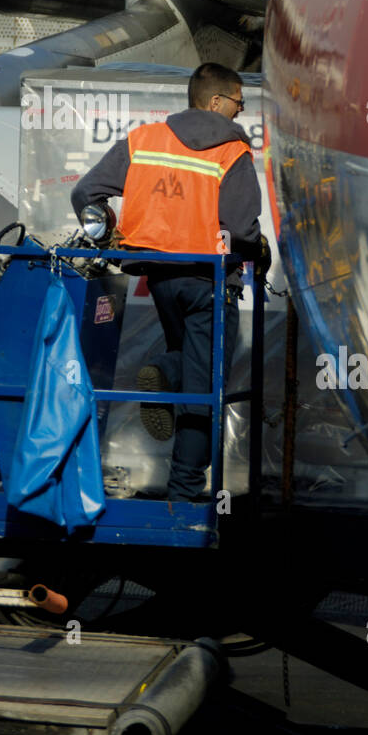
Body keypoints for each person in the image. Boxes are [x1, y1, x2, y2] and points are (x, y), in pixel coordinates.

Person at [71, 62, 266, 501]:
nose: (241, 110)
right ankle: (185, 491)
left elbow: (86, 193)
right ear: (216, 102)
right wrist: (258, 249)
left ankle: (166, 369)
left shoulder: (145, 139)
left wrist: (108, 228)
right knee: (205, 386)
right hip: (210, 283)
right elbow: (241, 229)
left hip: (160, 280)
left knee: (190, 363)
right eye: (239, 101)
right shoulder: (231, 153)